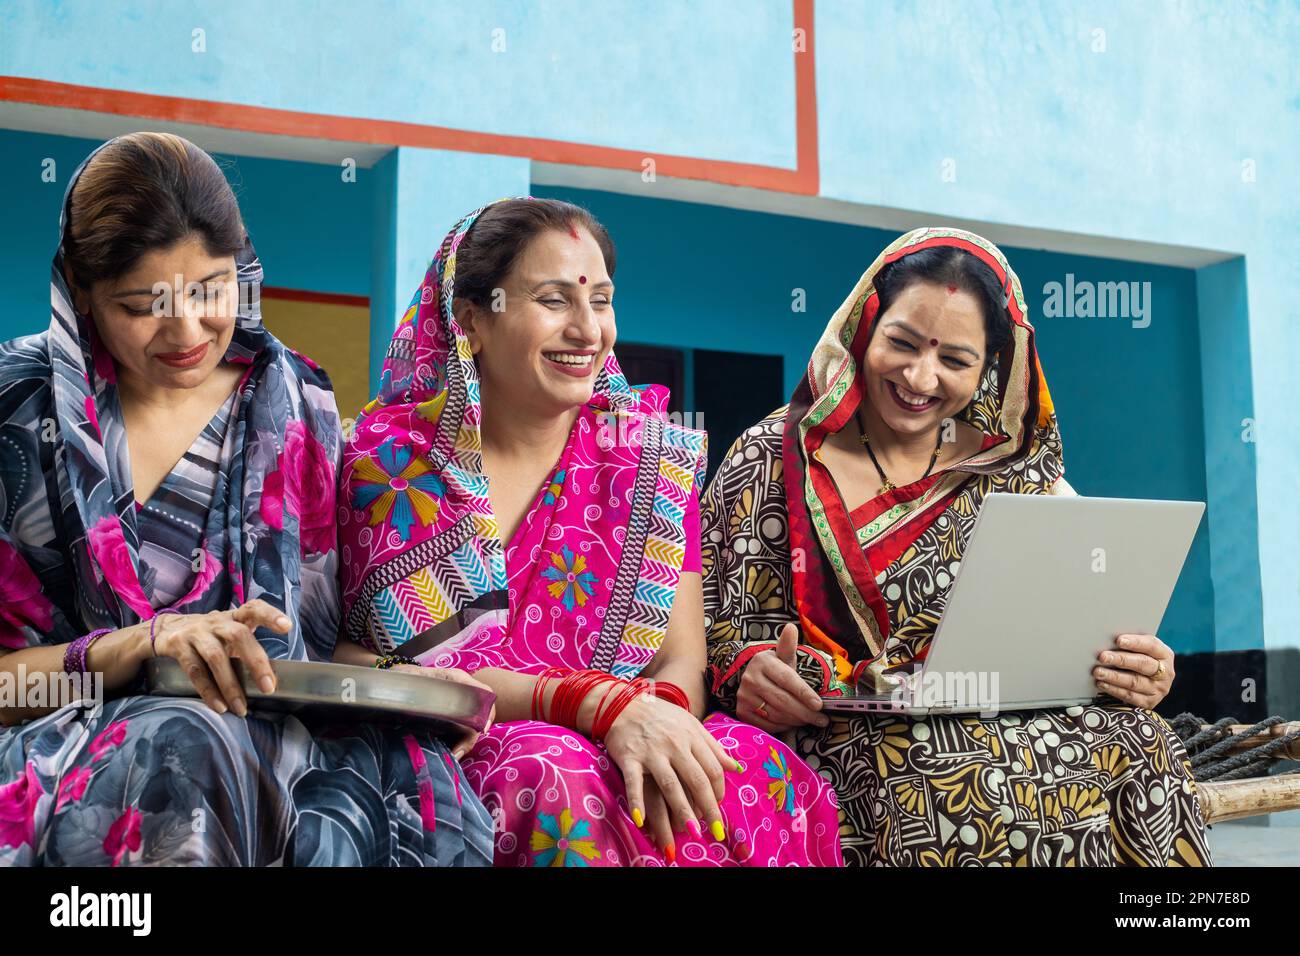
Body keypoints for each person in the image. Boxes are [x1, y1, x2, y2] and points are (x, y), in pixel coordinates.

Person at [0, 133, 493, 866]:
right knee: (183, 740)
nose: (188, 331)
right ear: (80, 291)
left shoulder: (295, 402)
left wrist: (400, 681)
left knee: (418, 782)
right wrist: (145, 645)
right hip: (59, 735)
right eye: (144, 305)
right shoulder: (19, 409)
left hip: (272, 736)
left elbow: (313, 649)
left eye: (210, 291)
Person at [339, 198, 842, 866]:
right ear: (471, 322)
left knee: (764, 772)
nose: (587, 330)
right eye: (553, 300)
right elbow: (348, 659)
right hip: (453, 742)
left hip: (623, 730)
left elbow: (679, 661)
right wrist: (588, 705)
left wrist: (655, 723)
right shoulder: (388, 465)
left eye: (601, 301)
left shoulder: (648, 464)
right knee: (552, 772)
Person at [702, 226, 1211, 866]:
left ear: (992, 365)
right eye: (902, 343)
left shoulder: (1017, 471)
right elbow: (711, 622)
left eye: (954, 360)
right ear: (865, 327)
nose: (920, 376)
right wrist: (746, 670)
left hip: (1003, 716)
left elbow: (1084, 617)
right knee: (951, 779)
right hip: (843, 732)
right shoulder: (774, 457)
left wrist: (1144, 666)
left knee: (1141, 739)